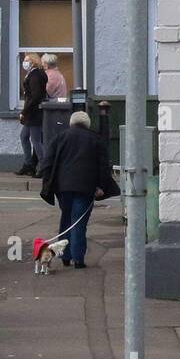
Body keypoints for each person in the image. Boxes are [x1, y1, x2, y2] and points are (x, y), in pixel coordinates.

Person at [38, 109, 116, 268]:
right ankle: (78, 259)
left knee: (66, 218)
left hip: (63, 188)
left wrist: (49, 183)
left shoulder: (60, 138)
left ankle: (64, 256)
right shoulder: (95, 139)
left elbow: (47, 163)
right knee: (79, 222)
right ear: (87, 124)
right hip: (86, 188)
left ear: (71, 123)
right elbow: (103, 166)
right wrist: (101, 186)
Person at [16, 52, 49, 177]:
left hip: (34, 113)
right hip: (33, 112)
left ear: (34, 61)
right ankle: (28, 164)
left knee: (36, 141)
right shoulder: (34, 74)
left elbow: (34, 97)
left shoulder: (35, 75)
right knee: (24, 136)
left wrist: (24, 112)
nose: (25, 62)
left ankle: (44, 166)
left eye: (27, 60)